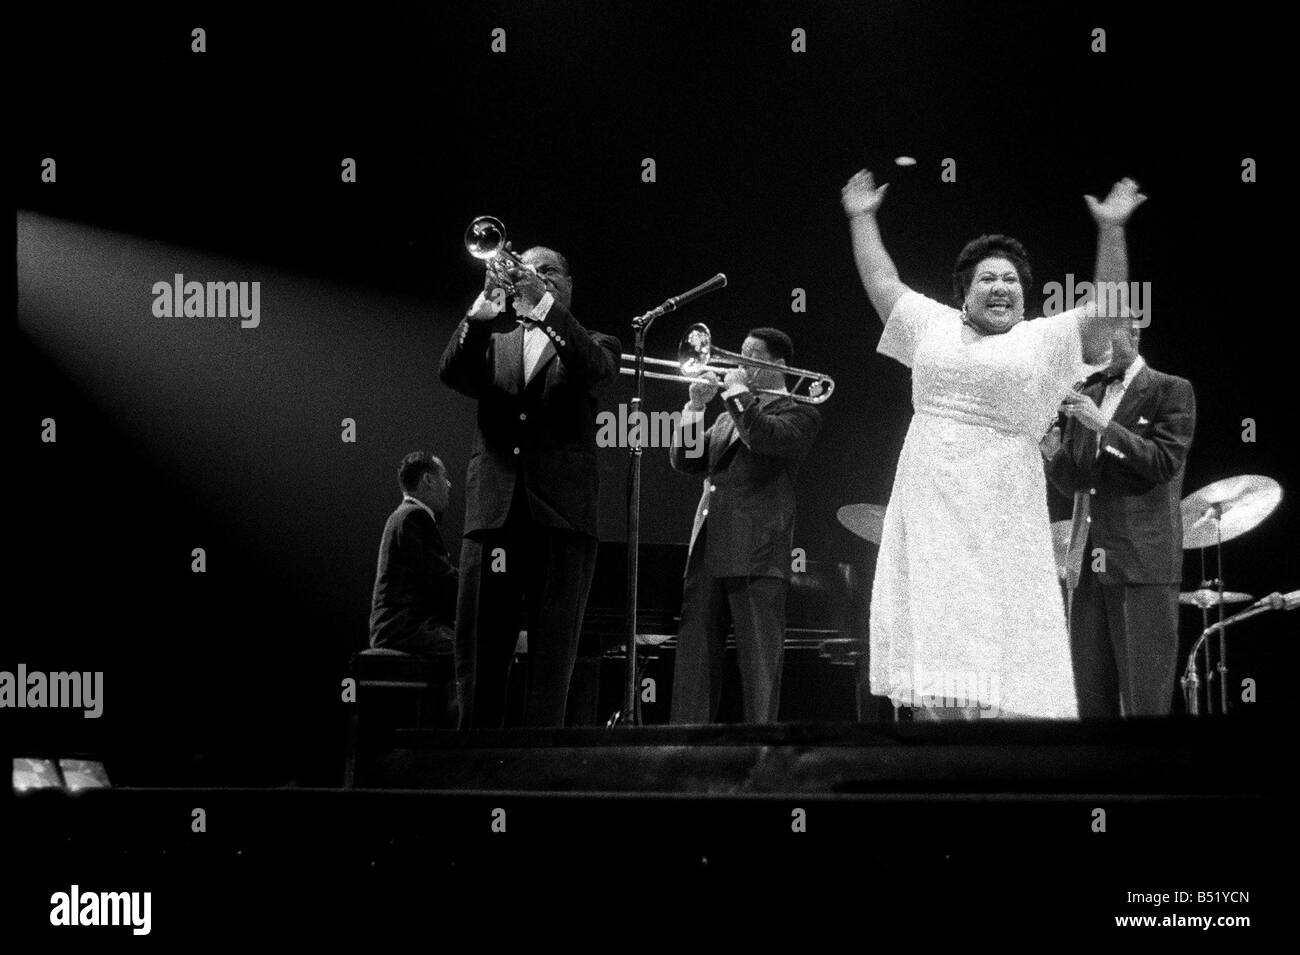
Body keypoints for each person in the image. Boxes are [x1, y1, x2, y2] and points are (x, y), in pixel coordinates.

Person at [842, 169, 1146, 719]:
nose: (1000, 286)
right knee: (938, 626)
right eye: (987, 278)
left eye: (1010, 279)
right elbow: (883, 281)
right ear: (964, 291)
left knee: (1000, 624)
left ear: (1025, 295)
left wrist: (1112, 229)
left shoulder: (1044, 339)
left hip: (1003, 502)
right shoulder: (930, 324)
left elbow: (1108, 309)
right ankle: (941, 744)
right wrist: (862, 217)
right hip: (929, 497)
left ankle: (1002, 746)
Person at [439, 245, 621, 728]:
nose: (535, 275)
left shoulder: (598, 342)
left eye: (548, 270)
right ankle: (474, 759)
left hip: (560, 521)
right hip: (494, 516)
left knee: (552, 661)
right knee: (479, 655)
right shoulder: (495, 342)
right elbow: (451, 373)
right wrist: (481, 314)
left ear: (568, 285)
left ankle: (539, 761)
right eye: (528, 269)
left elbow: (594, 371)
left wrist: (542, 304)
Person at [1041, 320, 1195, 717]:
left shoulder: (1170, 389)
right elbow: (1079, 482)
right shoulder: (1088, 392)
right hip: (1087, 562)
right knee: (1090, 698)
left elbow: (1162, 462)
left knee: (1144, 701)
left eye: (1106, 335)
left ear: (1133, 334)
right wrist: (1053, 450)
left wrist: (1104, 426)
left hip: (1140, 562)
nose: (1096, 347)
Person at [667, 328, 821, 723]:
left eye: (751, 358)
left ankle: (761, 749)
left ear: (779, 366)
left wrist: (737, 392)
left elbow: (764, 438)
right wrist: (695, 407)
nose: (739, 364)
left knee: (758, 671)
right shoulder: (726, 417)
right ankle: (685, 747)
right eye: (740, 355)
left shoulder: (801, 413)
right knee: (694, 667)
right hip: (708, 549)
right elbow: (687, 461)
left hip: (757, 554)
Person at [369, 451, 458, 658]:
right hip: (406, 628)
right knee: (475, 651)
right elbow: (438, 580)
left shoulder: (403, 515)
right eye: (444, 476)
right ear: (428, 480)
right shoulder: (414, 516)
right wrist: (477, 584)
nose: (449, 484)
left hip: (398, 626)